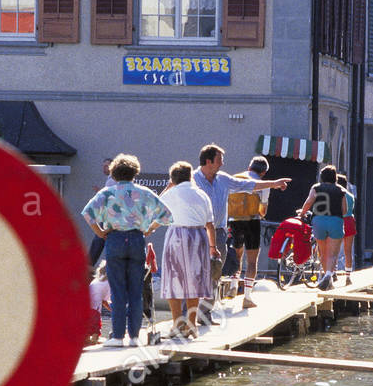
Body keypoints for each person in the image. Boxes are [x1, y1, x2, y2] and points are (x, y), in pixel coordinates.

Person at [80, 154, 173, 347]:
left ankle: (117, 336)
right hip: (137, 239)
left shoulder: (106, 193)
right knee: (135, 290)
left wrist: (102, 232)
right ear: (135, 172)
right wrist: (149, 228)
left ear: (114, 172)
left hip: (114, 240)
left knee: (118, 289)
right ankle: (134, 336)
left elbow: (87, 214)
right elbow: (167, 215)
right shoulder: (144, 192)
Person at [193, 144, 288, 290]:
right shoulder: (192, 179)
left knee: (223, 267)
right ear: (208, 161)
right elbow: (262, 209)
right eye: (219, 160)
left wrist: (274, 183)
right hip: (203, 232)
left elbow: (243, 186)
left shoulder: (226, 178)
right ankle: (245, 295)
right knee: (249, 262)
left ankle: (224, 292)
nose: (222, 163)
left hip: (226, 227)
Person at [158, 160, 217, 339]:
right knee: (195, 280)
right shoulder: (202, 194)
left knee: (173, 279)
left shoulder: (172, 193)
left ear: (173, 179)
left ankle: (177, 325)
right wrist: (213, 247)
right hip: (199, 236)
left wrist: (168, 188)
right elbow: (210, 224)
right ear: (190, 176)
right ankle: (192, 325)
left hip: (177, 235)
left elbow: (156, 208)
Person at [296, 163, 353, 291]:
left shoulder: (316, 187)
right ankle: (328, 275)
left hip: (318, 221)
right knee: (333, 254)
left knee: (323, 252)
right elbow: (344, 210)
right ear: (335, 178)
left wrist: (302, 213)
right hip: (335, 221)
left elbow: (309, 202)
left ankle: (328, 280)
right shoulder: (341, 190)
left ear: (321, 177)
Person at [230, 155, 273, 289]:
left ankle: (233, 285)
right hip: (252, 222)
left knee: (237, 255)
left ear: (249, 167)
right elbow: (263, 212)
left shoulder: (234, 179)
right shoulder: (263, 185)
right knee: (252, 261)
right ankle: (247, 296)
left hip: (234, 221)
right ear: (263, 172)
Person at [337, 172, 358, 286]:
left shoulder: (337, 195)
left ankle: (333, 273)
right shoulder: (350, 195)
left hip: (339, 221)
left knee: (334, 249)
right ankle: (348, 277)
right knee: (348, 251)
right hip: (350, 221)